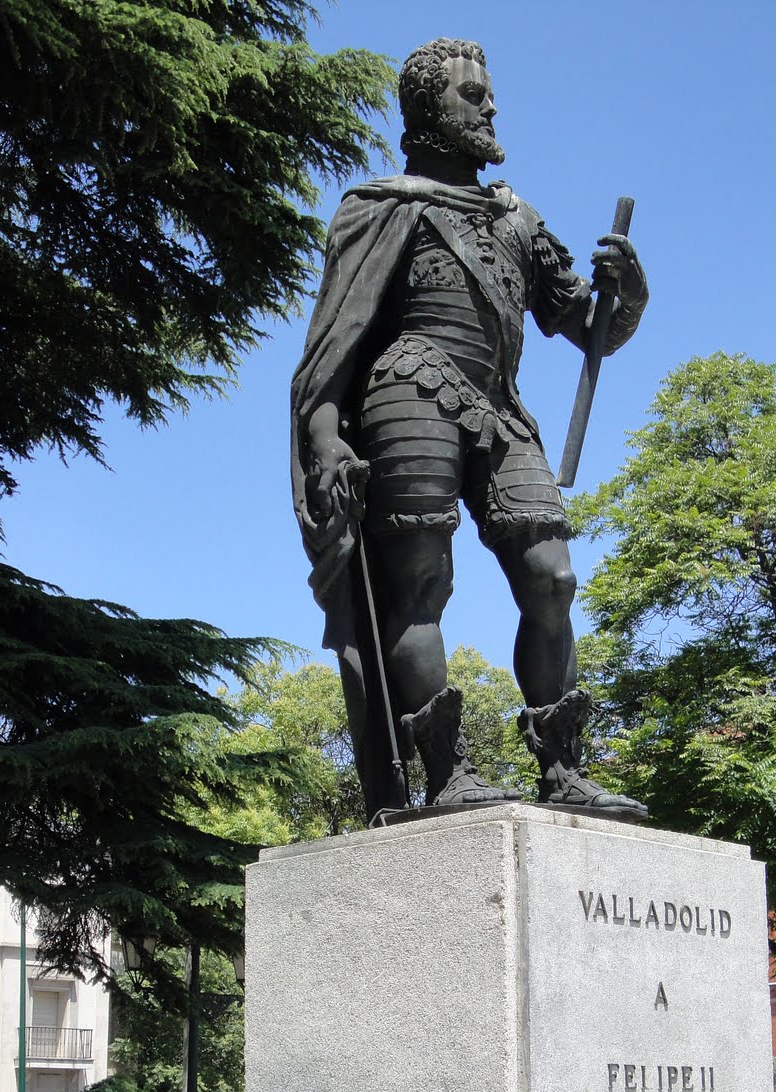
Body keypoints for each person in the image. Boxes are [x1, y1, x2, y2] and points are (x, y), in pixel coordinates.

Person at [290, 38, 650, 819]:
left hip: (501, 406)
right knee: (419, 586)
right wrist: (325, 439)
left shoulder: (516, 217)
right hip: (408, 392)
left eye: (488, 95)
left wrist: (629, 294)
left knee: (552, 575)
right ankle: (446, 773)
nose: (489, 108)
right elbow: (331, 349)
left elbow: (585, 324)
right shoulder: (380, 207)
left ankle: (562, 769)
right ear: (428, 110)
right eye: (471, 96)